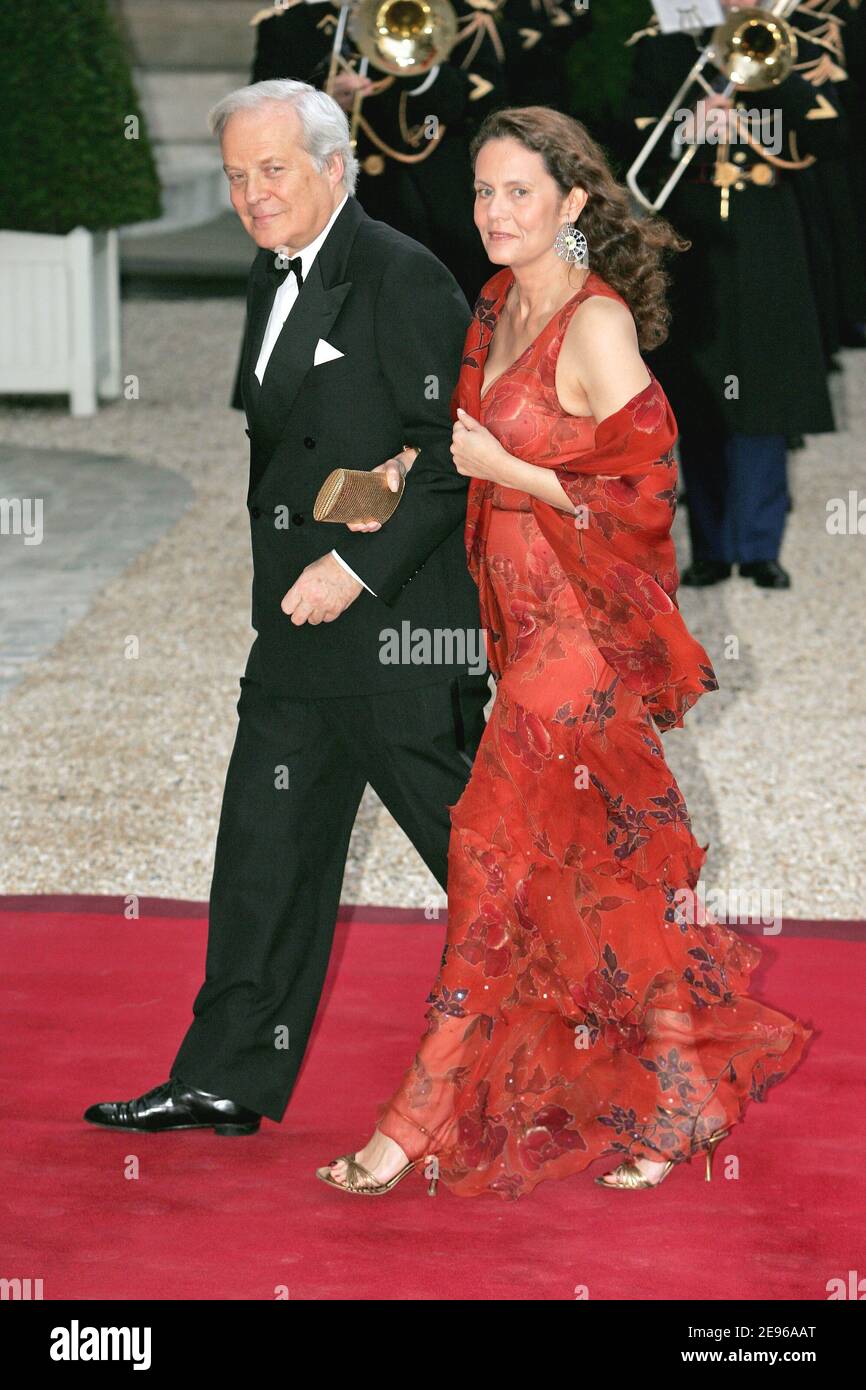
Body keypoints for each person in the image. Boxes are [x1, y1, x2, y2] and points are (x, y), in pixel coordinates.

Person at [317, 105, 813, 1198]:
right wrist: (403, 474)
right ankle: (679, 1094)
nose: (492, 212)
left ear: (572, 204)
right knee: (610, 877)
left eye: (517, 193)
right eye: (482, 191)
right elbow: (465, 437)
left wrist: (516, 468)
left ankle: (414, 1117)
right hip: (517, 627)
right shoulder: (493, 302)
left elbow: (646, 489)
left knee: (484, 859)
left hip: (579, 644)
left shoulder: (593, 325)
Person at [83, 79, 490, 1137]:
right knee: (263, 853)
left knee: (486, 868)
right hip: (298, 631)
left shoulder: (402, 278)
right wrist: (310, 559)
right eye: (234, 175)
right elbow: (314, 453)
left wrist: (352, 569)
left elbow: (454, 451)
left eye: (272, 170)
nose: (252, 194)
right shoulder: (275, 274)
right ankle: (223, 1074)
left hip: (397, 630)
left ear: (332, 167)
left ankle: (622, 1046)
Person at [622, 0, 841, 590]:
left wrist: (748, 121)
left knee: (765, 384)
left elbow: (827, 124)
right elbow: (632, 117)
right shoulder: (669, 35)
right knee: (695, 386)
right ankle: (712, 546)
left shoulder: (795, 35)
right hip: (690, 224)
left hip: (767, 222)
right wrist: (687, 126)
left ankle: (760, 544)